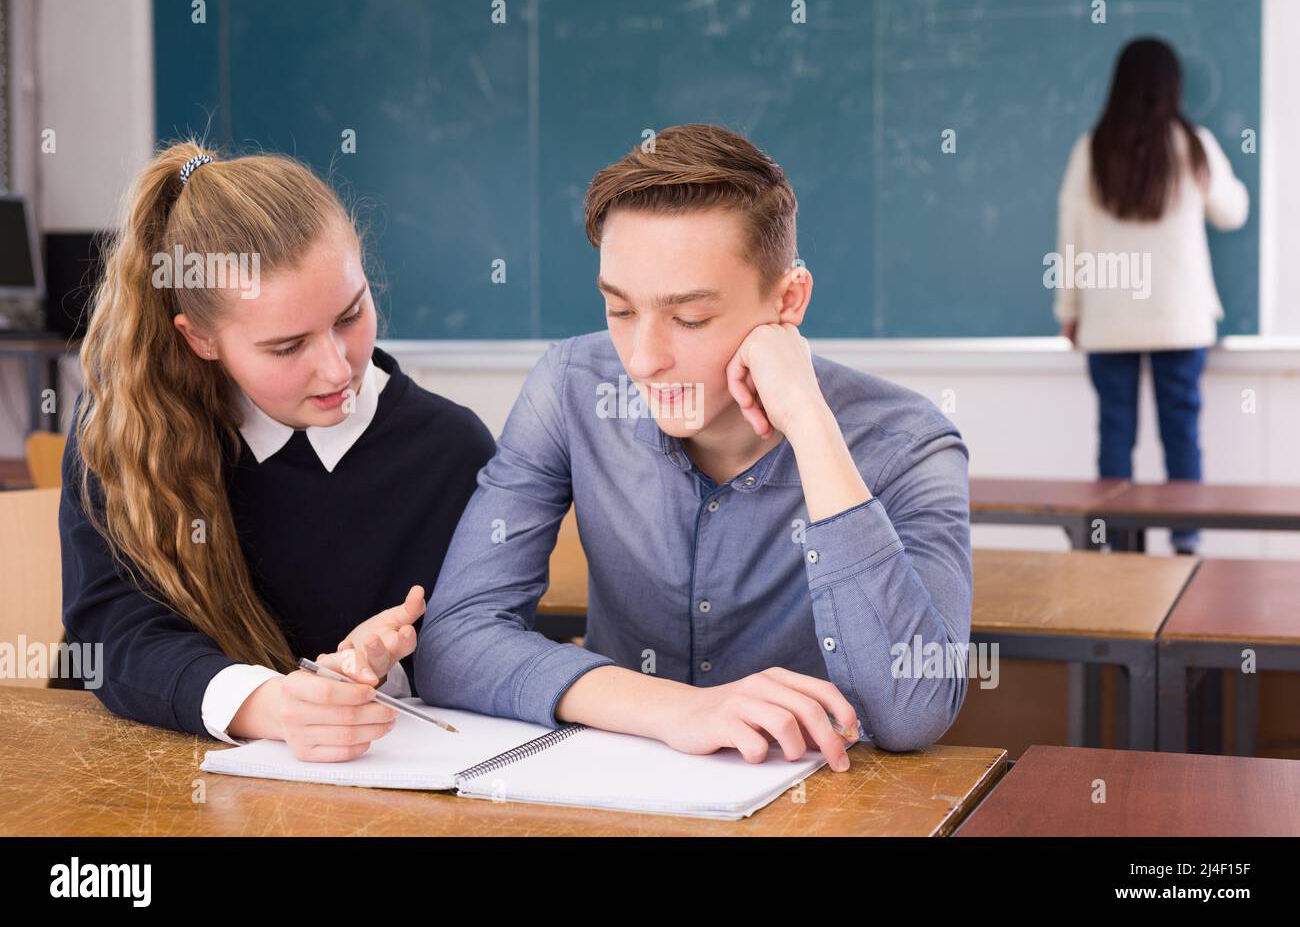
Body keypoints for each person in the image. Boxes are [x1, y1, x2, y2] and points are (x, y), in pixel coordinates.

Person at [417, 124, 972, 764]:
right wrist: (678, 709)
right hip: (614, 790)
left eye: (690, 319)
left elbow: (912, 712)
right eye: (620, 310)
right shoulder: (572, 389)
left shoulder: (909, 441)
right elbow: (454, 642)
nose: (645, 360)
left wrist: (812, 424)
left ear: (788, 301)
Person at [60, 141, 494, 761]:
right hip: (151, 779)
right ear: (202, 340)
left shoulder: (451, 451)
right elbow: (108, 638)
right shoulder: (123, 432)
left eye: (350, 315)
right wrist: (270, 706)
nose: (335, 368)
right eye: (287, 347)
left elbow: (481, 648)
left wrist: (388, 670)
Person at [1054, 37, 1250, 553]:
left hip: (1108, 318)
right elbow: (1233, 211)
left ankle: (1116, 548)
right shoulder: (1194, 144)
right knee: (1181, 434)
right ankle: (1187, 544)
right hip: (1180, 319)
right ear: (1172, 86)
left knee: (1115, 436)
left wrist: (1069, 311)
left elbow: (1070, 237)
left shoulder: (1091, 147)